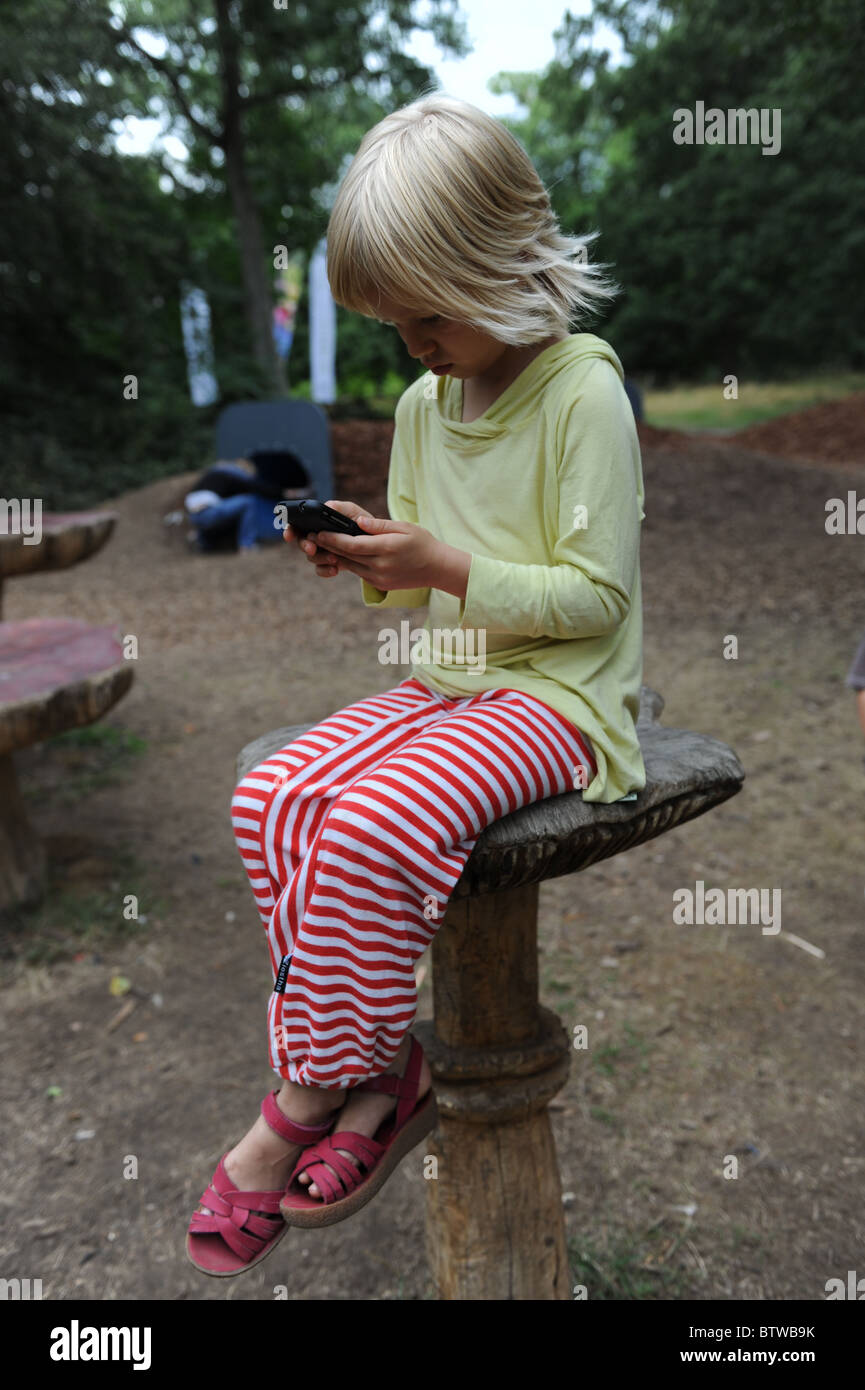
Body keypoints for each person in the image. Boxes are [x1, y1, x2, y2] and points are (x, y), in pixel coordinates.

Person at [186, 92, 647, 1277]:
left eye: (428, 316)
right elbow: (418, 590)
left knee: (381, 816)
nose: (415, 347)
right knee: (275, 798)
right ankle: (377, 1062)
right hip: (452, 683)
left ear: (501, 267)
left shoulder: (583, 391)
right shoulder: (421, 404)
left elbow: (593, 598)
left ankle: (308, 1096)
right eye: (393, 327)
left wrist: (442, 562)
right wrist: (367, 560)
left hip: (563, 699)